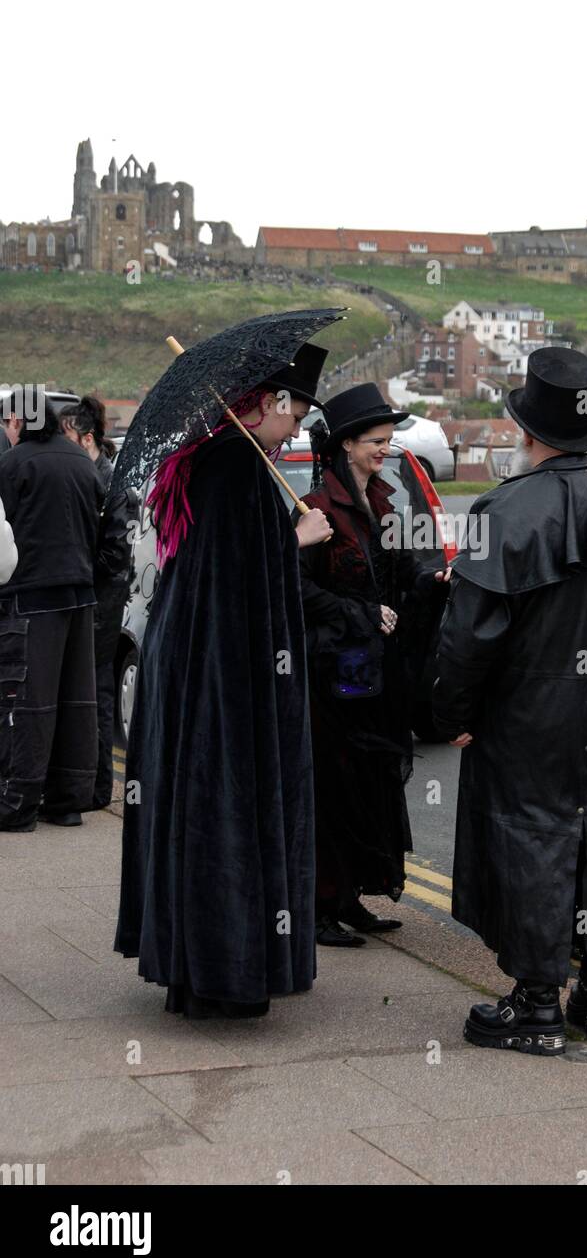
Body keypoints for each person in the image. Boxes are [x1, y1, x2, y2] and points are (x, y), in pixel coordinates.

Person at [432, 346, 587, 1055]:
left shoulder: (505, 508)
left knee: (532, 841)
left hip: (525, 712)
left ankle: (538, 1003)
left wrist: (452, 713)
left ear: (528, 434)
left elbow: (469, 635)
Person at [114, 343, 334, 1017]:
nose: (298, 427)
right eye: (295, 412)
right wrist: (296, 539)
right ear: (267, 403)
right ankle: (225, 973)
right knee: (226, 806)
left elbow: (209, 568)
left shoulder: (218, 457)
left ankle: (199, 969)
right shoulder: (238, 463)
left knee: (199, 804)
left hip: (195, 664)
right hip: (223, 677)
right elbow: (234, 579)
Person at [299, 384, 451, 946]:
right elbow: (299, 589)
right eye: (376, 440)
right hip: (332, 672)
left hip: (374, 673)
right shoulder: (315, 510)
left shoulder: (383, 502)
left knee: (370, 784)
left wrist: (430, 578)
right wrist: (359, 612)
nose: (385, 449)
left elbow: (399, 567)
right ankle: (317, 907)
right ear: (346, 444)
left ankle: (352, 897)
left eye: (388, 440)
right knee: (334, 787)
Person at [0, 389, 103, 831]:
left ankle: (17, 805)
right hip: (81, 593)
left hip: (31, 596)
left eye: (8, 421)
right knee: (75, 701)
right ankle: (67, 803)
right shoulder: (82, 461)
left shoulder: (15, 463)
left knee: (29, 704)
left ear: (20, 421)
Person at [58, 397, 138, 810]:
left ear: (87, 439)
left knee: (100, 696)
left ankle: (98, 785)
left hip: (104, 602)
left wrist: (78, 561)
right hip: (90, 597)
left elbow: (114, 556)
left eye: (67, 438)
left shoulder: (113, 484)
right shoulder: (87, 477)